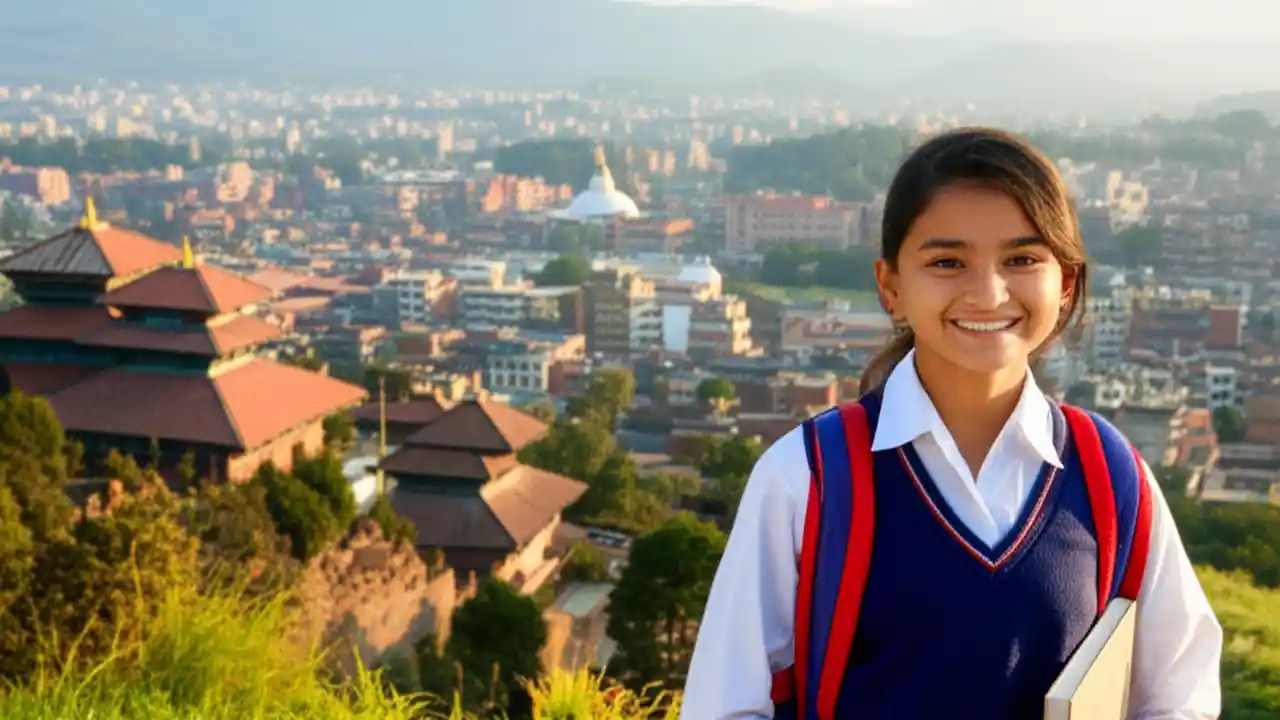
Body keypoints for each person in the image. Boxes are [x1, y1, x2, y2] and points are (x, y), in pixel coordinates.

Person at [680, 127, 1222, 719]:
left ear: (1064, 282)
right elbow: (726, 705)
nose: (988, 293)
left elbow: (1178, 692)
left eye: (1021, 259)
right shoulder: (808, 477)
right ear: (890, 287)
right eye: (947, 261)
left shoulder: (1110, 477)